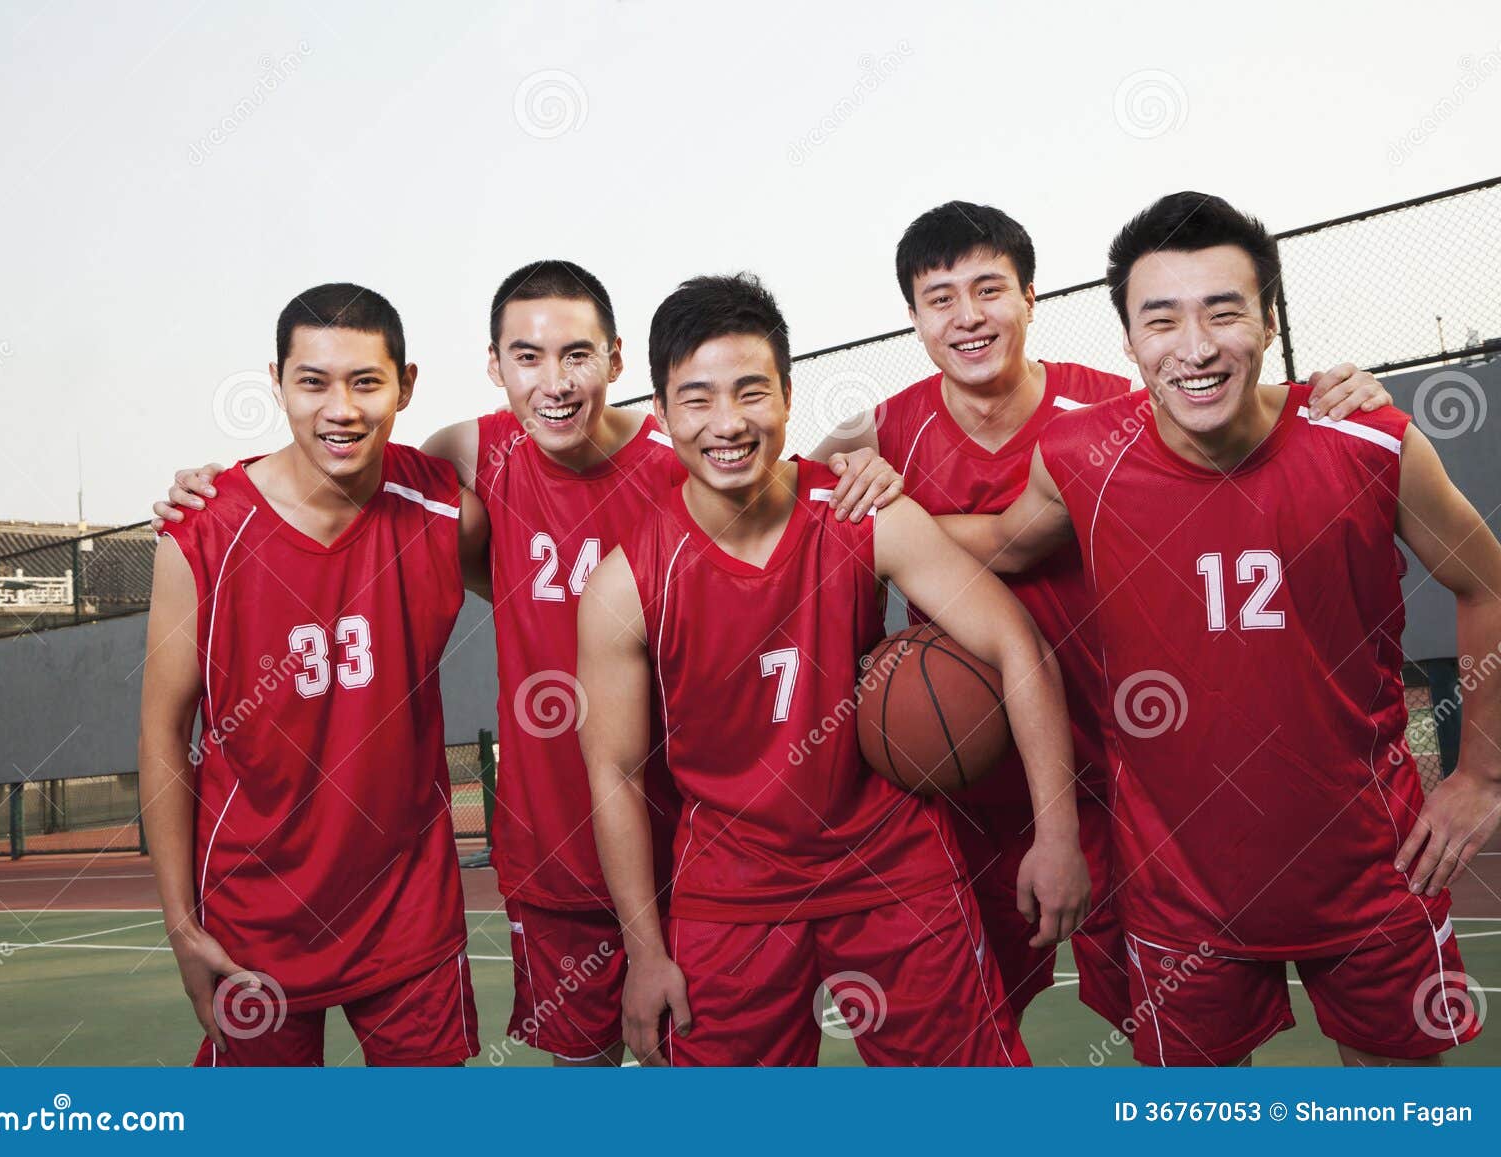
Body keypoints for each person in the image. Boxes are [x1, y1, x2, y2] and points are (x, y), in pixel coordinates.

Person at [150, 261, 901, 1065]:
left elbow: (783, 490)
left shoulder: (682, 459)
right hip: (551, 858)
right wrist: (217, 489)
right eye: (528, 357)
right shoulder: (466, 464)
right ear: (494, 364)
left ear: (615, 360)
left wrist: (862, 468)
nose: (555, 382)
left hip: (696, 848)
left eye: (577, 355)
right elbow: (364, 487)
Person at [943, 192, 1501, 1065]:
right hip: (1179, 891)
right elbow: (999, 545)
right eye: (1160, 319)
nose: (1195, 347)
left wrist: (1482, 773)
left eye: (1224, 311)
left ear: (1271, 321)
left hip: (1370, 868)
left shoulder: (1366, 440)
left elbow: (1488, 585)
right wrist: (854, 500)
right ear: (1127, 341)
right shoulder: (1081, 457)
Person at [813, 200, 1392, 1033]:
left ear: (1031, 299)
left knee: (1169, 1029)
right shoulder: (878, 435)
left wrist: (1339, 388)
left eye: (989, 289)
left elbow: (1233, 410)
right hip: (969, 776)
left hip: (1127, 774)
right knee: (970, 1025)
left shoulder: (1115, 410)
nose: (967, 316)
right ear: (912, 317)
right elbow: (782, 505)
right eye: (940, 298)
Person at [578, 272, 1090, 1066]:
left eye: (752, 392)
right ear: (661, 411)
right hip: (731, 888)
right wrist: (645, 951)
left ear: (787, 396)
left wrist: (1057, 834)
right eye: (698, 398)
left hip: (890, 862)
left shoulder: (863, 512)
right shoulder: (626, 580)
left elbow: (1015, 643)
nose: (728, 423)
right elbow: (613, 770)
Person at [139, 283, 490, 1065]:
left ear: (406, 385)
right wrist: (181, 925)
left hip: (408, 912)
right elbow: (164, 734)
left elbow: (560, 590)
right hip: (254, 919)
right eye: (314, 381)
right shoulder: (202, 533)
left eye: (366, 381)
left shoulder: (443, 511)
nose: (342, 408)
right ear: (276, 381)